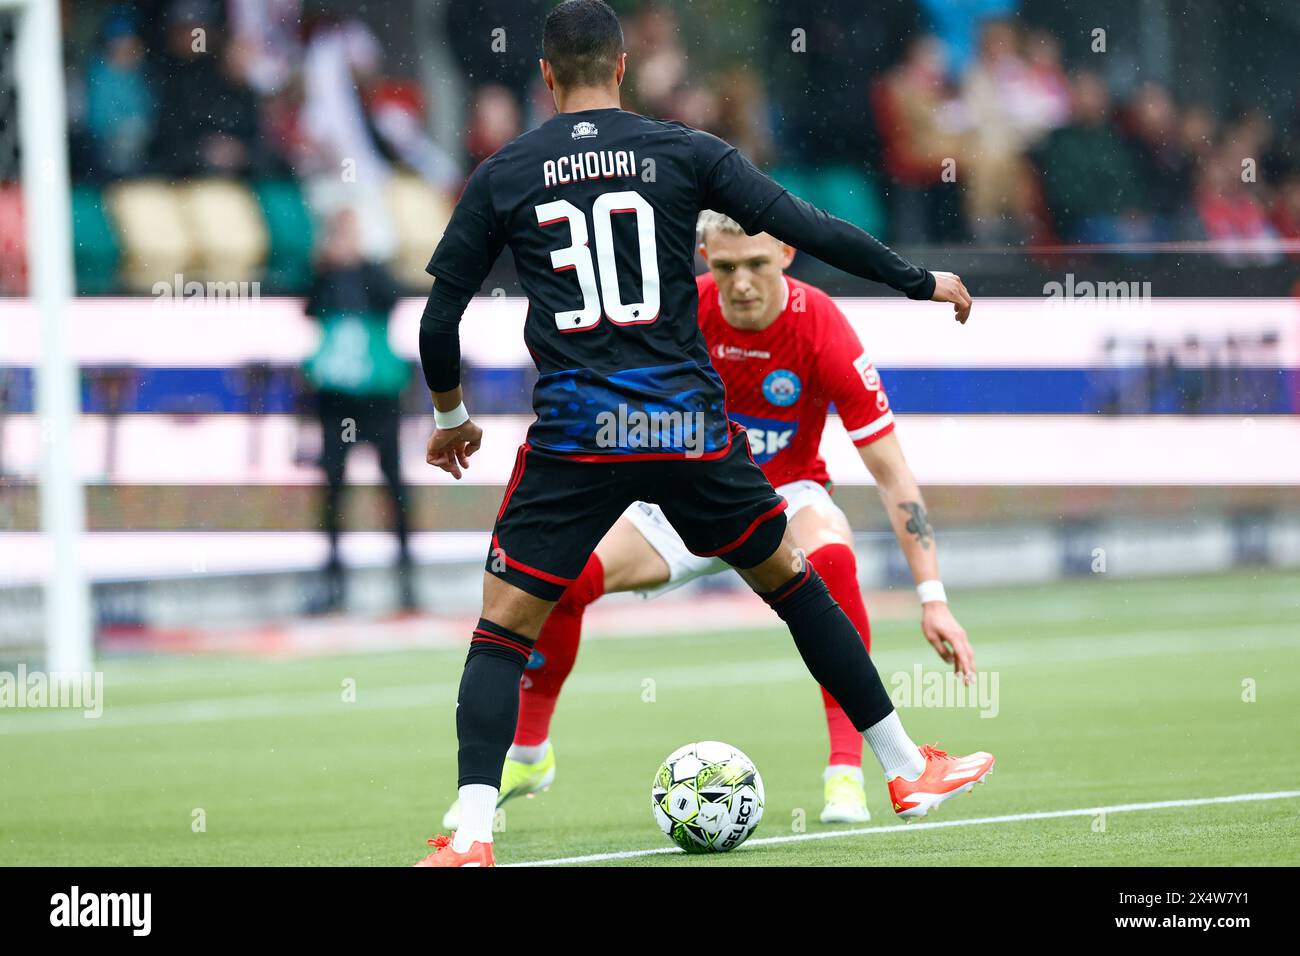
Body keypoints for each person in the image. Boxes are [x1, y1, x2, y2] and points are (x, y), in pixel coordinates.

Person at [415, 0, 984, 868]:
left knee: (501, 631)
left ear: (544, 75)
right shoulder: (682, 150)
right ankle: (904, 768)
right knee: (793, 584)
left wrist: (451, 418)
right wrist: (918, 280)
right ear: (622, 66)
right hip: (687, 427)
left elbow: (439, 316)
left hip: (577, 432)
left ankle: (473, 834)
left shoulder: (506, 170)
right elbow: (809, 227)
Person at [440, 210, 976, 831]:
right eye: (723, 268)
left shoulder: (821, 325)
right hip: (680, 493)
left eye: (755, 264)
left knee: (828, 558)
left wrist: (932, 597)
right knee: (565, 577)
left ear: (786, 254)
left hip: (784, 495)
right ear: (703, 261)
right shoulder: (682, 311)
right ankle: (529, 754)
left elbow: (891, 472)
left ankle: (846, 772)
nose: (740, 282)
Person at [302, 210, 414, 613]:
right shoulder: (325, 278)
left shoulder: (373, 274)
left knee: (395, 486)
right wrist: (328, 267)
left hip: (377, 398)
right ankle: (334, 580)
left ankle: (406, 578)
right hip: (337, 401)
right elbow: (310, 309)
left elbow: (392, 297)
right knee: (333, 487)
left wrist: (360, 263)